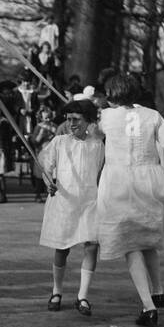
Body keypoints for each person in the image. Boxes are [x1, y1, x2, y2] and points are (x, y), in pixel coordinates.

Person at [95, 73, 164, 327]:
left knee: (131, 243)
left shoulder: (106, 117)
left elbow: (91, 134)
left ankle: (148, 307)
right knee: (147, 239)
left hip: (119, 183)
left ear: (114, 95)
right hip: (151, 180)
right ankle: (158, 290)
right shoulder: (152, 114)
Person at [37, 99, 105, 315]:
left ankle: (82, 296)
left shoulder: (97, 145)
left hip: (89, 201)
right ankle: (56, 291)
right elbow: (45, 165)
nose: (71, 124)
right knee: (62, 247)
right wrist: (48, 182)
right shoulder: (59, 142)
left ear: (89, 122)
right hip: (64, 201)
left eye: (76, 119)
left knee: (92, 245)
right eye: (68, 119)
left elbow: (102, 173)